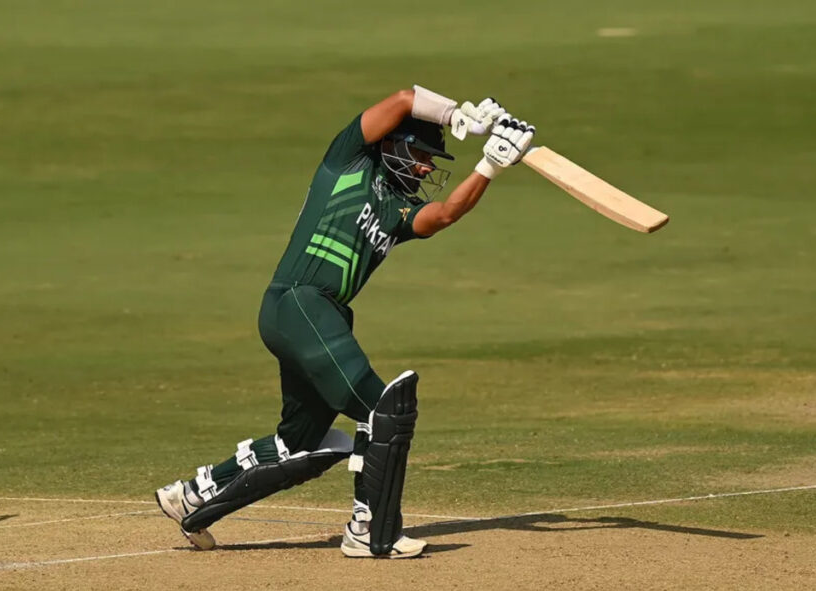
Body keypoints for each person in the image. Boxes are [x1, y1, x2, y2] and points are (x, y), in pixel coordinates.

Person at [155, 85, 535, 558]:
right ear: (392, 144)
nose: (425, 168)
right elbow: (405, 99)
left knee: (303, 442)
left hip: (317, 316)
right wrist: (457, 115)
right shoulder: (349, 160)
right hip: (299, 303)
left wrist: (490, 165)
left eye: (430, 162)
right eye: (420, 155)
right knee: (385, 409)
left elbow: (443, 215)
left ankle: (193, 497)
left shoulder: (399, 212)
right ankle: (371, 530)